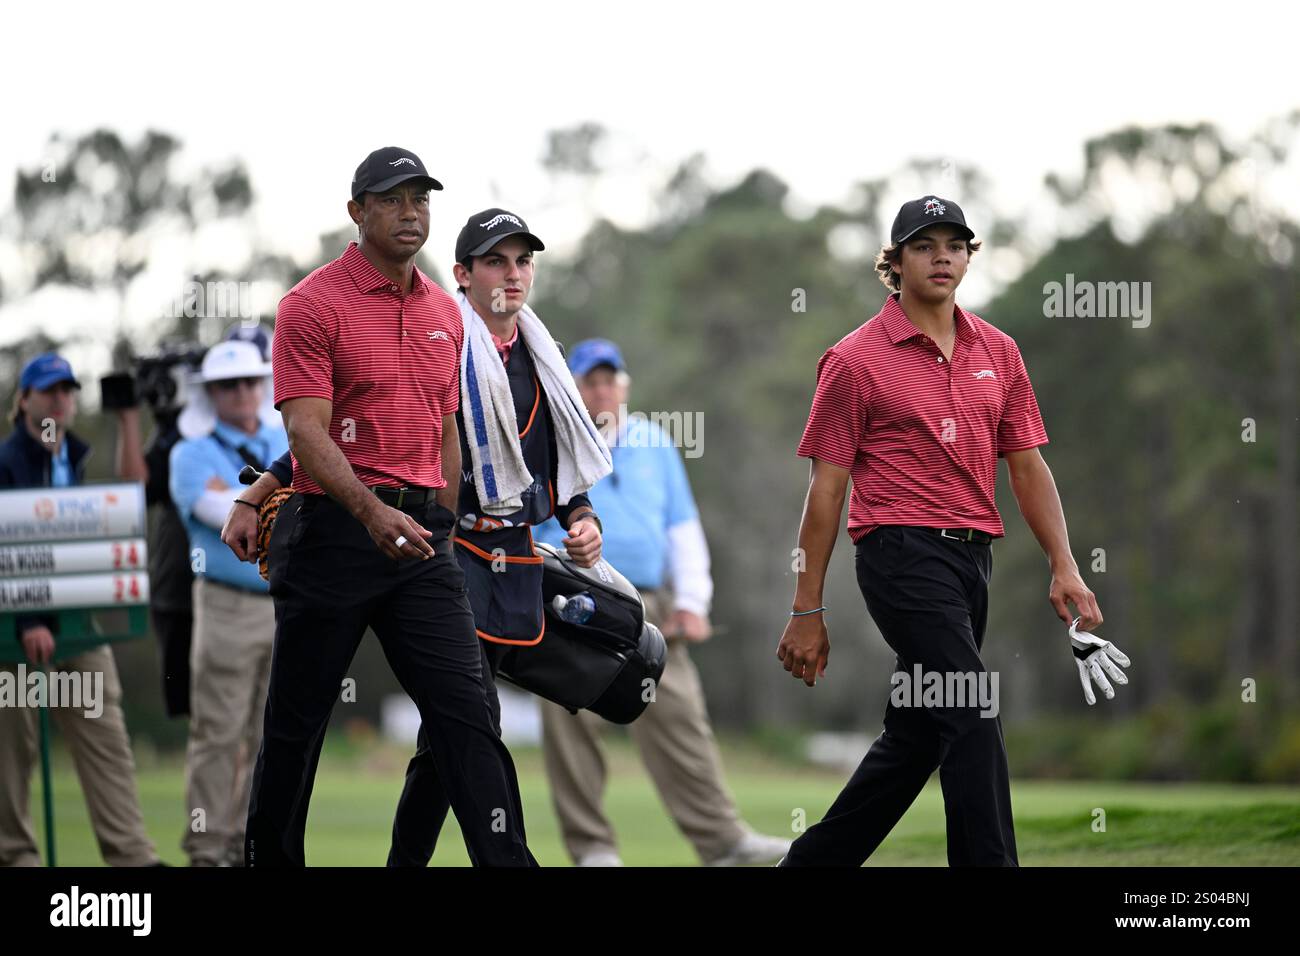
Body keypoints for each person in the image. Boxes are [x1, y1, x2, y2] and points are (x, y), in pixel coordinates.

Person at [229, 207, 611, 866]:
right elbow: (352, 432)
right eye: (496, 260)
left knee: (458, 729)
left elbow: (554, 463)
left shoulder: (539, 358)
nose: (513, 274)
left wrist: (582, 517)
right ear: (462, 274)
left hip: (505, 562)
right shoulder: (435, 328)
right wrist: (261, 489)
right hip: (439, 548)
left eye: (523, 261)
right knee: (446, 722)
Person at [776, 196, 1106, 867]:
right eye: (925, 246)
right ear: (894, 263)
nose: (943, 257)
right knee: (972, 707)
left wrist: (1064, 564)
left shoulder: (1000, 352)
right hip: (899, 555)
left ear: (969, 256)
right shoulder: (854, 360)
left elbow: (1027, 466)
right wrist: (806, 607)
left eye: (955, 244)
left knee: (920, 735)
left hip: (971, 560)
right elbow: (826, 492)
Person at [535, 339, 792, 866]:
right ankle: (593, 851)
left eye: (610, 380)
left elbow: (683, 530)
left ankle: (724, 844)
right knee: (571, 720)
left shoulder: (655, 443)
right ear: (573, 388)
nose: (601, 389)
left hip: (651, 603)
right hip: (573, 600)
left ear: (624, 387)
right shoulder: (553, 442)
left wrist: (694, 601)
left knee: (681, 719)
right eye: (590, 380)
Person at [0, 353, 162, 867]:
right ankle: (15, 855)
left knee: (105, 733)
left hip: (76, 621)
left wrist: (128, 420)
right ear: (24, 400)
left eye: (67, 391)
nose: (59, 400)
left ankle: (133, 858)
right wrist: (30, 620)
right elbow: (9, 543)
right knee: (13, 745)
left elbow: (128, 498)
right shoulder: (7, 462)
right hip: (13, 626)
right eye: (48, 391)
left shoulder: (73, 455)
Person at [169, 340, 288, 866]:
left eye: (249, 382)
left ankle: (247, 846)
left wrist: (247, 498)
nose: (242, 392)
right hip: (225, 604)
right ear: (210, 394)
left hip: (285, 603)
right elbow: (219, 510)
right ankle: (207, 848)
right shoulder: (188, 451)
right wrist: (272, 500)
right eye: (228, 385)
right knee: (219, 732)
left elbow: (288, 508)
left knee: (272, 734)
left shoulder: (286, 437)